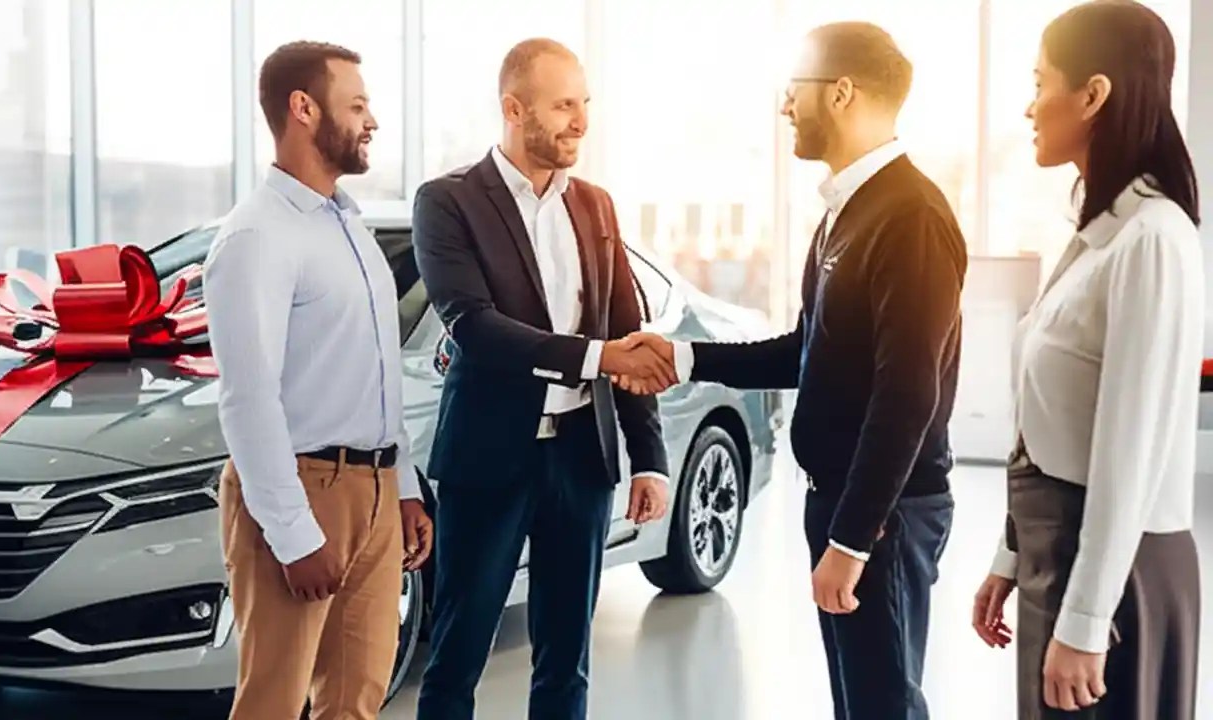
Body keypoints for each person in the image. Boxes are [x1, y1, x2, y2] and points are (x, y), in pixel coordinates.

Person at [620, 22, 967, 720]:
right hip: (844, 503)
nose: (785, 107)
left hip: (883, 516)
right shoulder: (847, 213)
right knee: (860, 701)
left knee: (883, 705)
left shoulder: (911, 217)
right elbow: (807, 352)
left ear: (841, 93)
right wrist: (682, 357)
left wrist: (852, 536)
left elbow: (907, 394)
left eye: (794, 91)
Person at [411, 38, 673, 720]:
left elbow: (629, 327)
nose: (580, 121)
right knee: (458, 655)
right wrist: (599, 358)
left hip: (581, 462)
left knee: (566, 661)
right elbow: (474, 324)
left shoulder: (596, 206)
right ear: (513, 108)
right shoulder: (447, 202)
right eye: (563, 105)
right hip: (489, 459)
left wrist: (649, 459)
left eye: (585, 104)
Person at [971, 2, 1203, 717]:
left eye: (1041, 81)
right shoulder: (1100, 237)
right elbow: (1052, 424)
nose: (1029, 105)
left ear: (1094, 94)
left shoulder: (1153, 240)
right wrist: (1010, 556)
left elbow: (1129, 452)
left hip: (1112, 577)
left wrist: (1084, 621)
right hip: (1062, 560)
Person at [204, 41, 433, 720]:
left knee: (356, 703)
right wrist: (293, 533)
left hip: (374, 491)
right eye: (357, 104)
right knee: (273, 702)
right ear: (303, 108)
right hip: (300, 492)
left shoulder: (350, 228)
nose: (372, 120)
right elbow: (248, 399)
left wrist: (405, 487)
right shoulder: (255, 237)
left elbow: (378, 375)